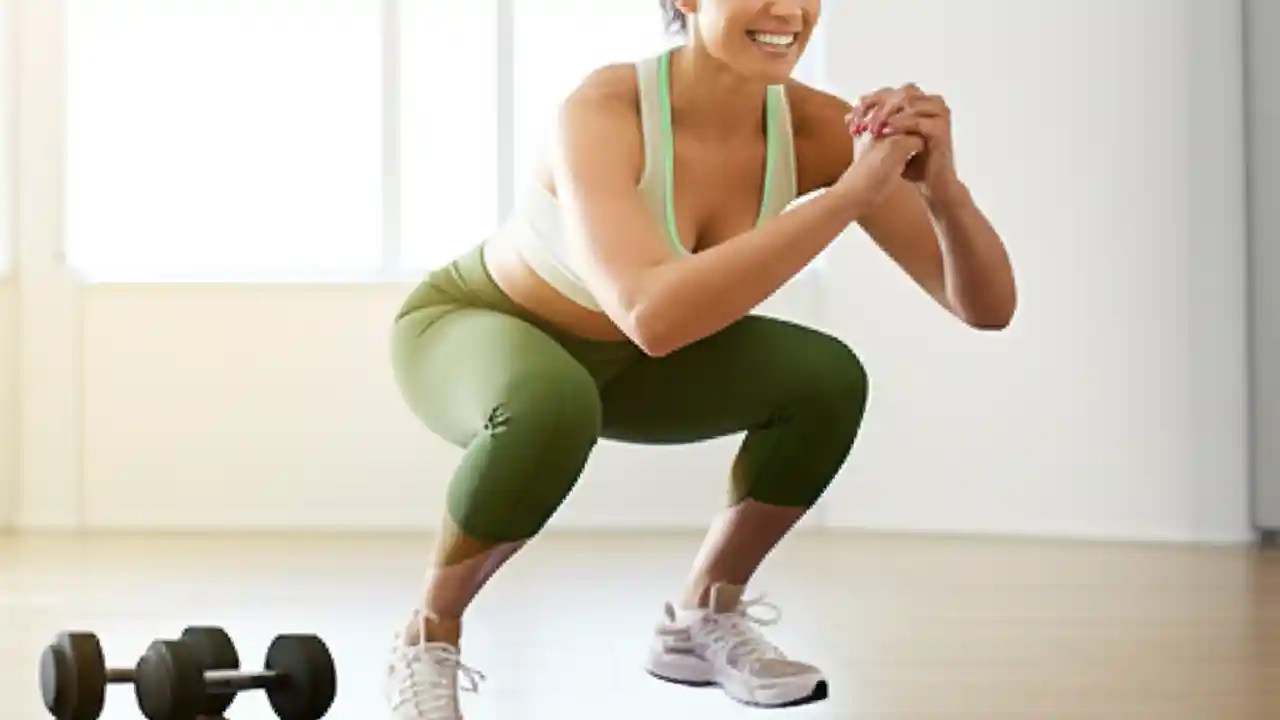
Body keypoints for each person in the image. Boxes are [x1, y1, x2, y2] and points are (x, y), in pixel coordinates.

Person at [382, 0, 1016, 717]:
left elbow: (986, 307)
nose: (788, 9)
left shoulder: (815, 128)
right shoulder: (604, 110)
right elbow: (652, 317)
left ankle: (702, 619)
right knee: (551, 403)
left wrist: (942, 191)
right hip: (480, 326)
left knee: (825, 380)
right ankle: (426, 638)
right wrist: (847, 199)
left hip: (626, 365)